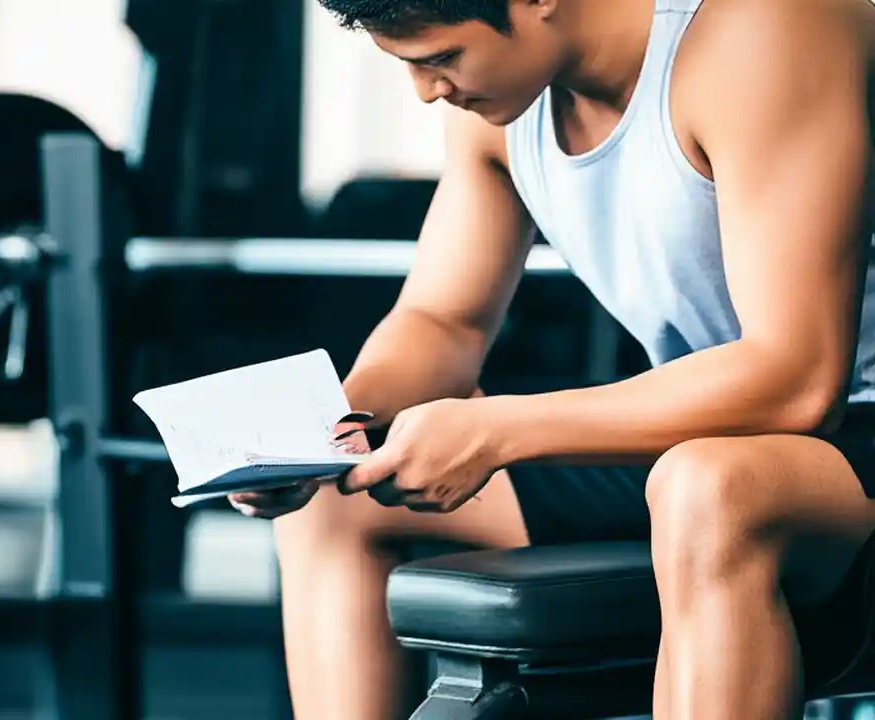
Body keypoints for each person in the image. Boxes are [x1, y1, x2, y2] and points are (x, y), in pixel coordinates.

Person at [227, 0, 875, 718]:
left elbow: (798, 381)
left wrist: (500, 429)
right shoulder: (502, 105)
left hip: (829, 434)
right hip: (706, 442)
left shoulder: (758, 30)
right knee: (330, 508)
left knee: (708, 485)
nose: (427, 91)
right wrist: (327, 432)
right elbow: (445, 320)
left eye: (441, 60)